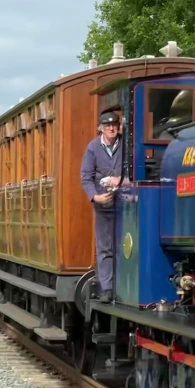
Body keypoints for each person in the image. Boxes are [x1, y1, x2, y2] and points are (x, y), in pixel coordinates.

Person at [80, 109, 123, 300]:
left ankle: (122, 287)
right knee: (105, 247)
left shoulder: (126, 144)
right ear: (101, 128)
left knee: (123, 246)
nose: (111, 128)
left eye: (114, 125)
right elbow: (86, 178)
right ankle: (107, 288)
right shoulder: (93, 148)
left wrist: (120, 179)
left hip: (125, 202)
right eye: (108, 126)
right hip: (103, 204)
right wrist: (95, 197)